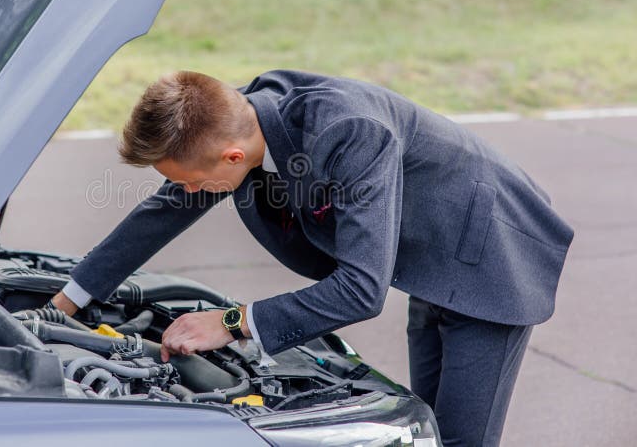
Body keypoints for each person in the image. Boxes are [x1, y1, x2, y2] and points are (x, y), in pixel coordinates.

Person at [49, 69, 574, 445]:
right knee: (426, 425)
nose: (185, 191)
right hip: (426, 257)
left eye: (187, 180)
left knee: (462, 441)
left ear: (231, 157)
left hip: (488, 256)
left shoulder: (347, 130)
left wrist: (231, 323)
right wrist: (67, 301)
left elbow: (362, 291)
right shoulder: (245, 117)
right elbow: (162, 213)